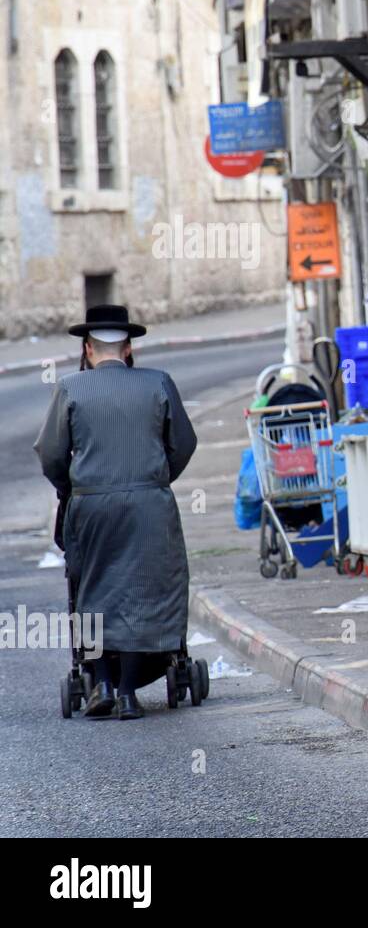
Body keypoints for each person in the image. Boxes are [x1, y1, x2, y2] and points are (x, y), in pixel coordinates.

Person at [35, 304, 197, 720]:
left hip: (91, 505)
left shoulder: (70, 388)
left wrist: (70, 488)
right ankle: (128, 692)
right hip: (149, 505)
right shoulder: (159, 382)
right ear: (127, 349)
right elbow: (183, 442)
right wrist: (155, 479)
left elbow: (51, 454)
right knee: (146, 588)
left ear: (88, 350)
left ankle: (101, 682)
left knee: (92, 589)